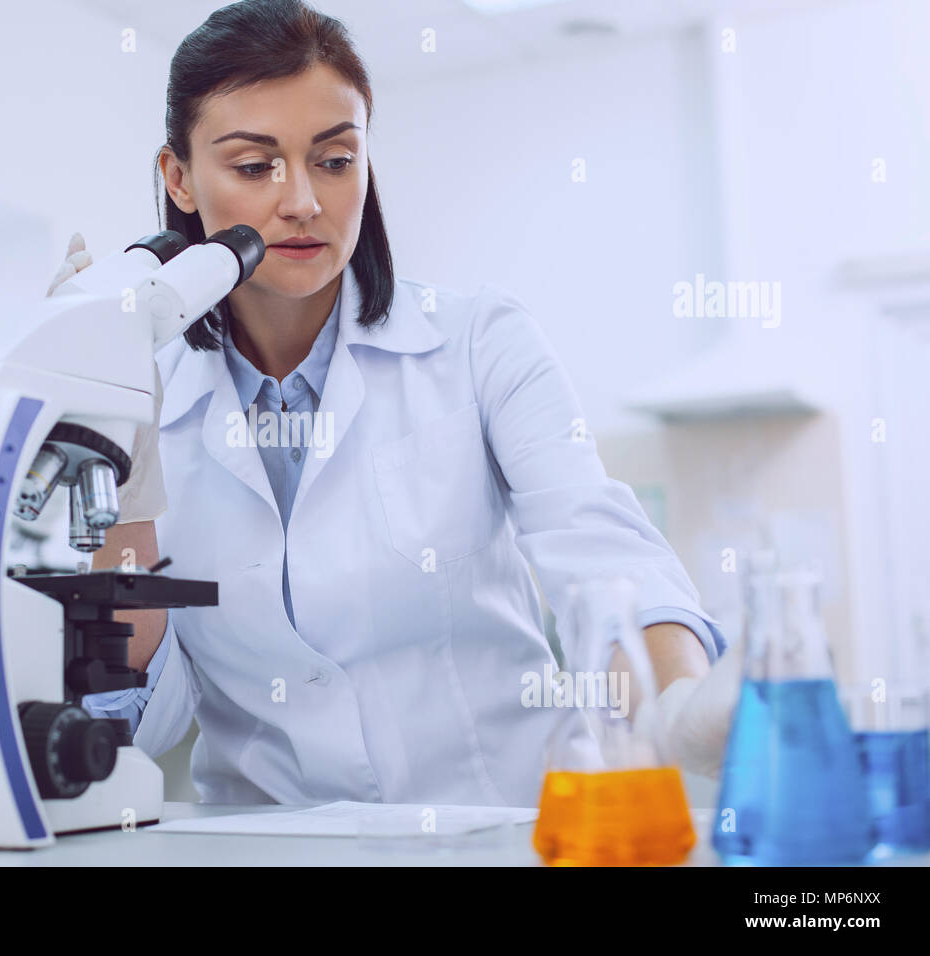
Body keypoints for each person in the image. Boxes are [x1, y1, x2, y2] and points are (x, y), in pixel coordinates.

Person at [52, 0, 738, 807]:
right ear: (179, 177)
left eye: (335, 159)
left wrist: (680, 702)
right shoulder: (152, 389)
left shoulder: (479, 342)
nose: (302, 199)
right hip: (268, 850)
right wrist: (115, 445)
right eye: (253, 165)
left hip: (496, 837)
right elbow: (149, 713)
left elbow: (602, 554)